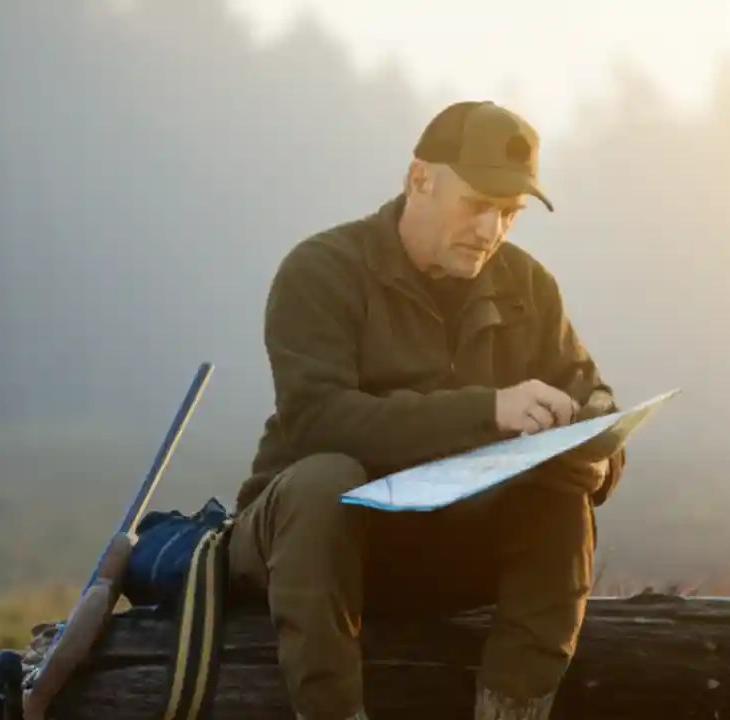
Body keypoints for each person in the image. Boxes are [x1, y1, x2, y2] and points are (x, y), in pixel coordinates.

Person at [228, 100, 627, 720]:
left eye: (509, 214)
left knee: (562, 499)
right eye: (477, 205)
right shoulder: (320, 271)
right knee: (324, 482)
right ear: (420, 179)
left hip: (451, 547)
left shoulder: (530, 288)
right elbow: (317, 422)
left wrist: (597, 459)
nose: (491, 231)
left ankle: (513, 707)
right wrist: (489, 411)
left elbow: (596, 403)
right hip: (309, 546)